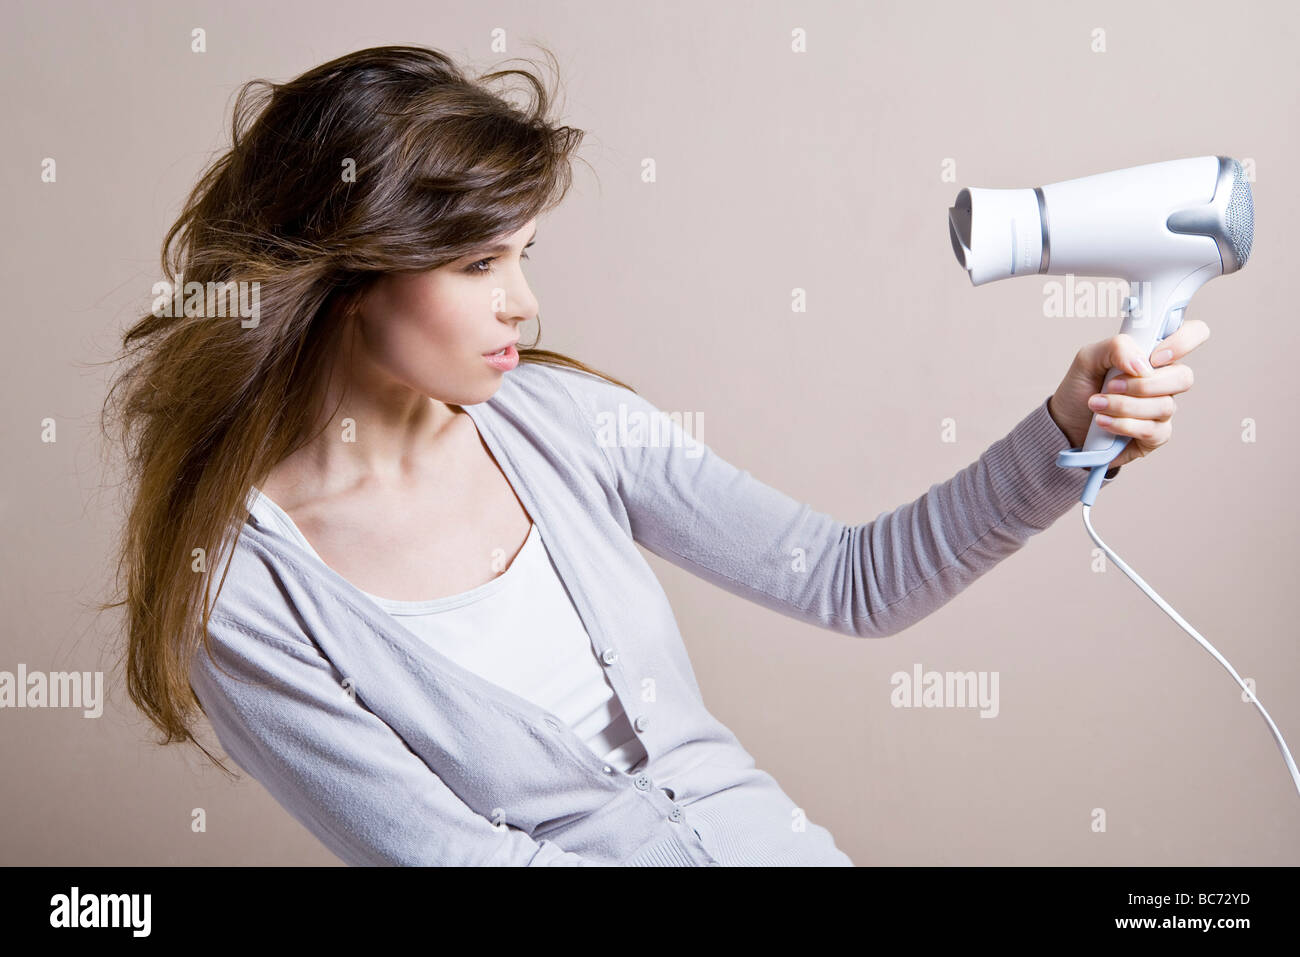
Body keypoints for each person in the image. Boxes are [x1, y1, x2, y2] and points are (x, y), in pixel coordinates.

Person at [100, 45, 1202, 866]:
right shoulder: (241, 590)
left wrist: (1063, 431)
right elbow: (452, 860)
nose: (522, 305)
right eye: (478, 263)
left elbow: (849, 580)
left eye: (524, 255)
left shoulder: (563, 421)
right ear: (350, 270)